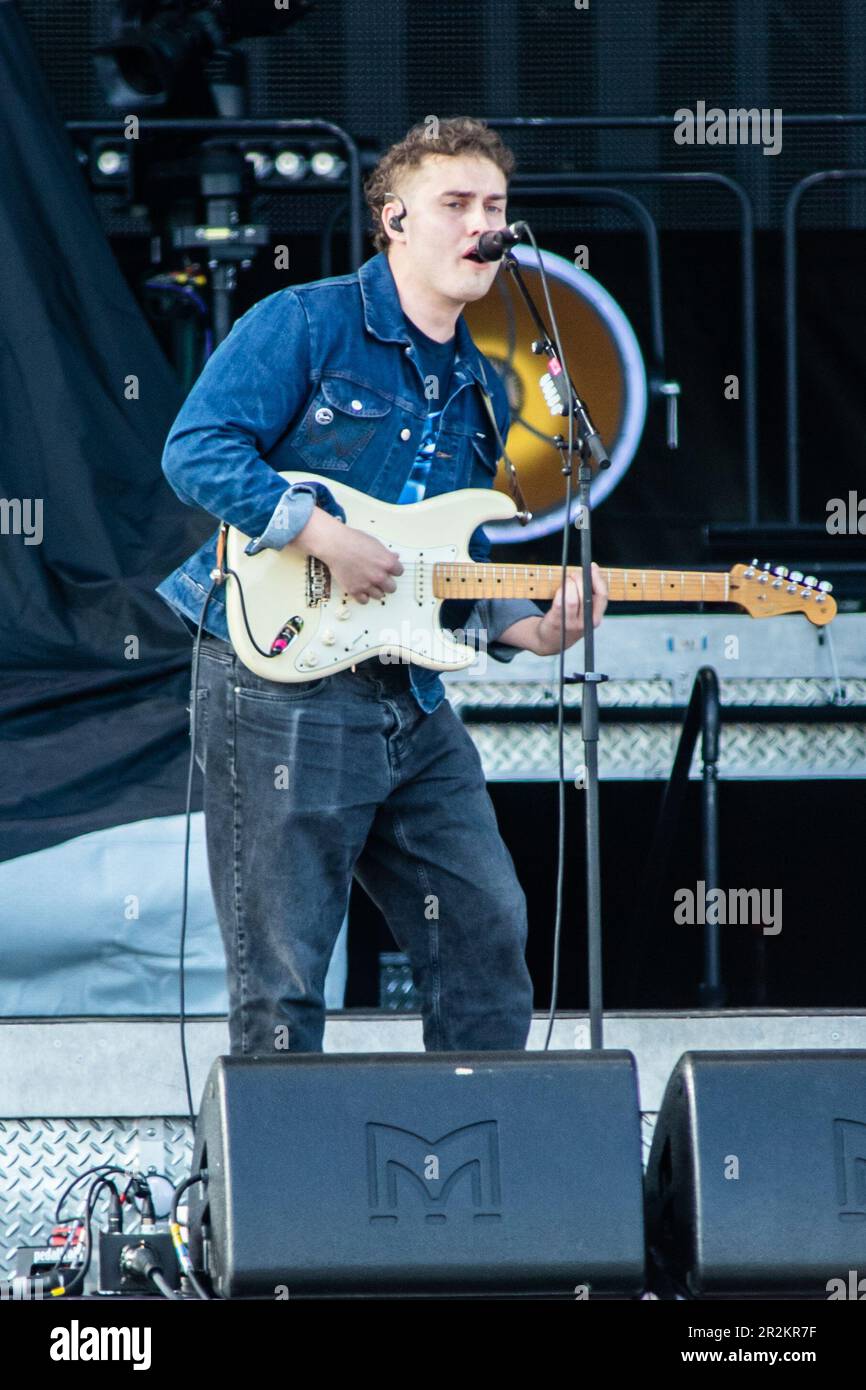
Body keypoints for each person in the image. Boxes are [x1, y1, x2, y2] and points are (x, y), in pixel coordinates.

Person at [155, 116, 608, 1055]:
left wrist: (530, 625)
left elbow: (442, 562)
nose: (484, 226)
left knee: (488, 936)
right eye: (458, 205)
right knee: (283, 979)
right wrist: (321, 535)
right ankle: (281, 1203)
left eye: (495, 207)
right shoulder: (307, 322)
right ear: (394, 219)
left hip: (408, 694)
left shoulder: (482, 384)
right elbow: (196, 449)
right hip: (277, 682)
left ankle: (480, 1176)